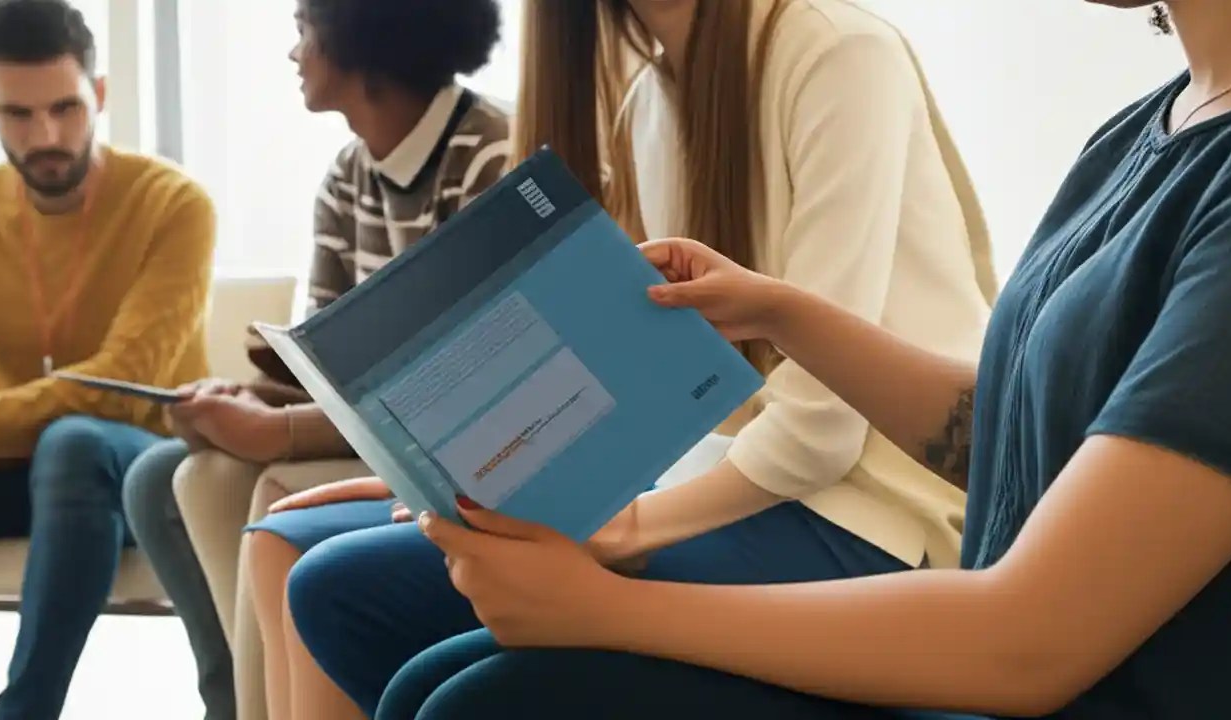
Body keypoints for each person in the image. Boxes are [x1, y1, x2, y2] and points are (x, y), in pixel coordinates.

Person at [376, 1, 1231, 718]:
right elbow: (1015, 444)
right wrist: (784, 314)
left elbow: (1032, 640)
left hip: (1032, 680)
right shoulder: (1146, 130)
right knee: (433, 685)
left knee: (478, 704)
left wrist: (608, 607)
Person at [281, 0, 999, 715]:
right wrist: (447, 477)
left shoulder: (840, 53)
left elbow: (823, 428)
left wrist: (628, 528)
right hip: (747, 484)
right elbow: (651, 390)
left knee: (421, 675)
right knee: (332, 585)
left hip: (879, 517)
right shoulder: (647, 105)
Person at [119, 0, 510, 718]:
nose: (293, 52)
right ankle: (238, 702)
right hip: (376, 423)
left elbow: (463, 392)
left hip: (456, 444)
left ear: (363, 33)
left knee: (273, 484)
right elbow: (329, 365)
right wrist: (239, 399)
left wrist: (281, 431)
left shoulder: (487, 154)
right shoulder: (347, 175)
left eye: (303, 28)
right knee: (175, 473)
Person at [0, 0, 216, 717]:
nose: (46, 136)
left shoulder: (173, 204)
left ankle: (25, 710)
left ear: (99, 94)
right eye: (18, 114)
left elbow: (116, 394)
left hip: (146, 468)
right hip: (19, 467)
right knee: (57, 438)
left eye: (66, 108)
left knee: (72, 439)